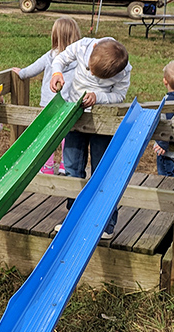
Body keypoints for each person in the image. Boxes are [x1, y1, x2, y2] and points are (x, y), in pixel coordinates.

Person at [50, 36, 132, 239]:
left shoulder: (124, 70)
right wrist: (56, 73)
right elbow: (60, 59)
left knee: (102, 169)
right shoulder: (83, 46)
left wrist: (98, 96)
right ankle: (73, 218)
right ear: (92, 49)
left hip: (102, 122)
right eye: (91, 71)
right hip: (75, 117)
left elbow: (119, 96)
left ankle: (106, 222)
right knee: (71, 167)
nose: (94, 77)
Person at [13, 16, 81, 175]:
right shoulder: (79, 59)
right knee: (67, 135)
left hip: (49, 104)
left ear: (55, 35)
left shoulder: (50, 56)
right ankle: (65, 166)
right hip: (68, 104)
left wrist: (20, 73)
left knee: (47, 136)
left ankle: (47, 167)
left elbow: (31, 70)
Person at [153, 61, 174, 177]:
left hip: (167, 154)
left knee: (167, 182)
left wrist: (162, 143)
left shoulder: (169, 102)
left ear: (165, 81)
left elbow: (167, 123)